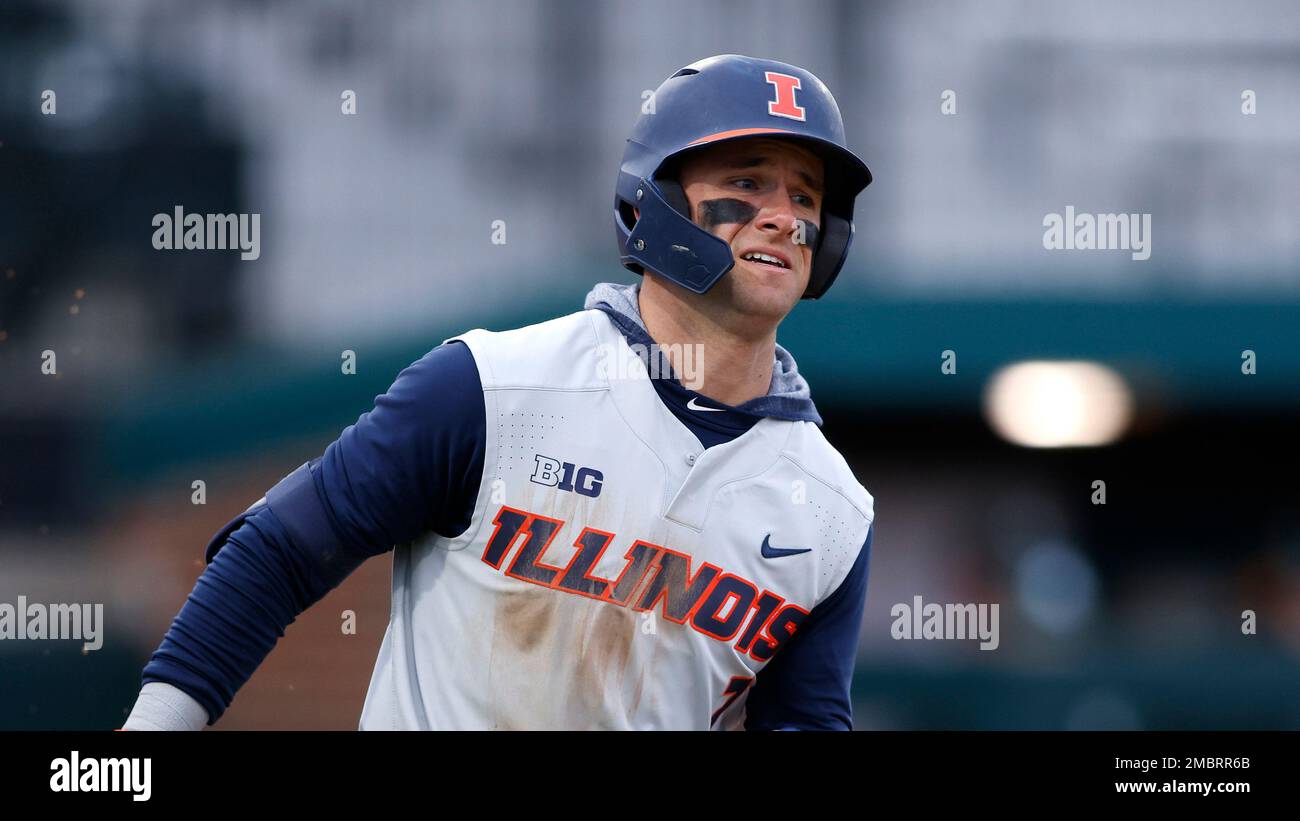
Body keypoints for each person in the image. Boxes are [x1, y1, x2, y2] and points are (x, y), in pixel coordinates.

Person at [123, 53, 876, 731]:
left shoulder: (832, 510)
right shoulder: (491, 389)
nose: (785, 216)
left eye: (806, 196)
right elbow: (276, 554)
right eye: (747, 182)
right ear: (658, 200)